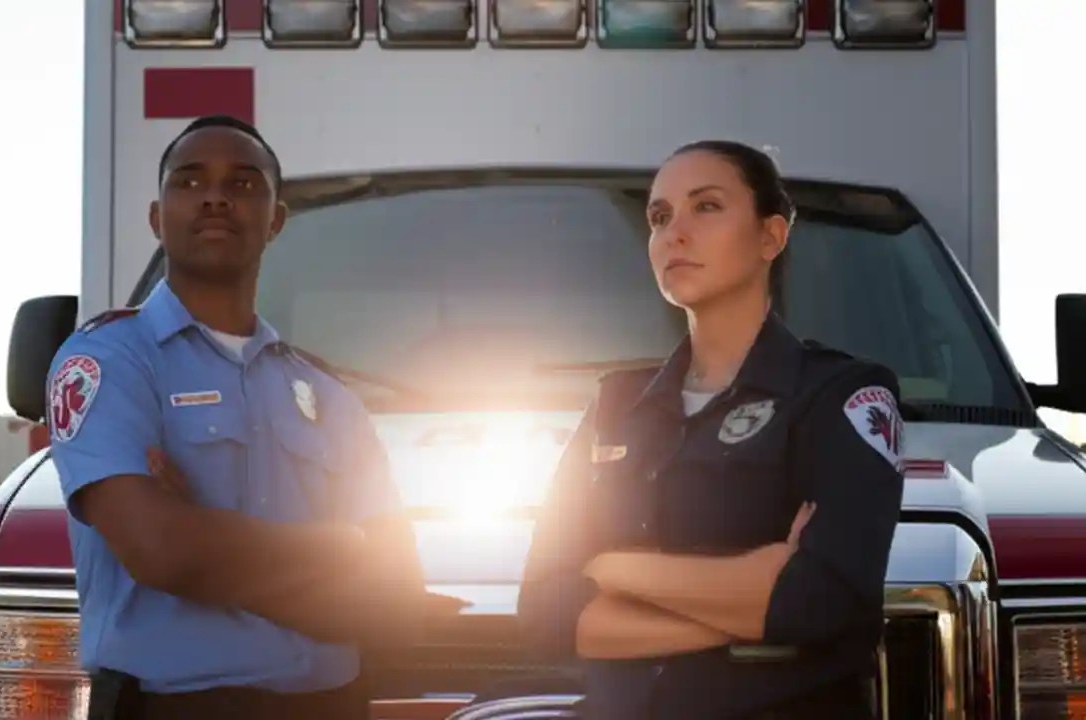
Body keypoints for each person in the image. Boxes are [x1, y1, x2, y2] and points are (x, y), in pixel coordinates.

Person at [45, 114, 426, 719]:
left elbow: (399, 593)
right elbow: (163, 552)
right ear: (156, 218)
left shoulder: (326, 392)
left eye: (244, 184)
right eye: (190, 182)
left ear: (275, 220)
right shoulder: (107, 362)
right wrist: (345, 548)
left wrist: (203, 531)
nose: (216, 197)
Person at [516, 140, 907, 719]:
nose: (674, 232)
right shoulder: (615, 406)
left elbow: (825, 604)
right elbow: (545, 614)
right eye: (658, 216)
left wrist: (610, 569)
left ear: (771, 238)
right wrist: (753, 594)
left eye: (706, 207)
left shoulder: (842, 395)